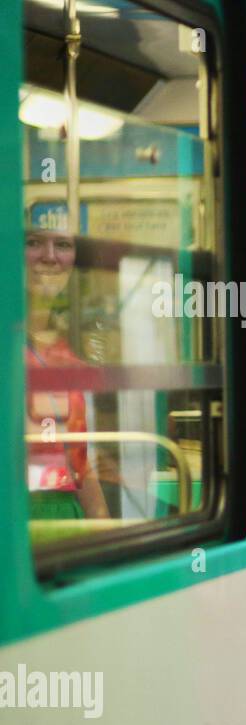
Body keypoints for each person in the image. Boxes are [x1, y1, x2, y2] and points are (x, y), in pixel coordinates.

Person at [24, 216, 110, 525]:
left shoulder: (61, 351)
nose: (49, 256)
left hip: (65, 516)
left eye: (62, 245)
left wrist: (101, 525)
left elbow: (78, 462)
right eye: (33, 242)